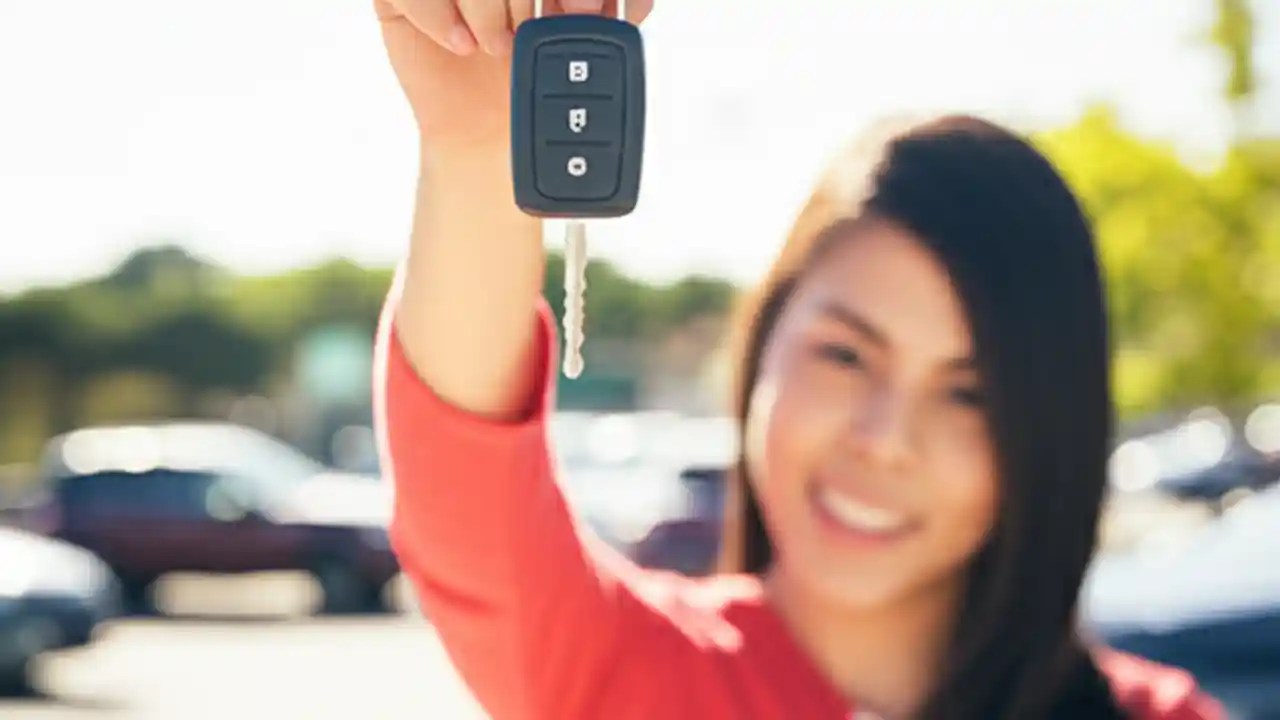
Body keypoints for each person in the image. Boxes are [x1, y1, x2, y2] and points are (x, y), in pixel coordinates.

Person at [370, 1, 1225, 718]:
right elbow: (467, 488)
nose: (885, 440)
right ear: (762, 344)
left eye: (971, 395)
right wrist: (479, 145)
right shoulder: (634, 673)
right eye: (847, 355)